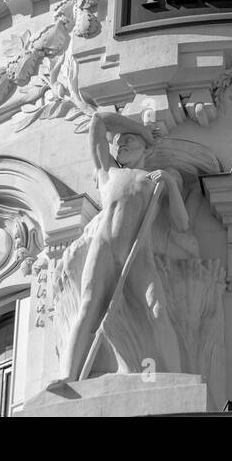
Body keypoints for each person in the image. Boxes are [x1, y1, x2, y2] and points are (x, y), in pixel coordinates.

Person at [51, 111, 189, 387]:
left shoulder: (153, 181)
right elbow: (98, 122)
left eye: (129, 142)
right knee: (88, 305)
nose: (121, 146)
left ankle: (179, 376)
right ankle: (68, 375)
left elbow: (182, 224)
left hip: (138, 255)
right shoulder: (108, 172)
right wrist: (140, 129)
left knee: (158, 309)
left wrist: (172, 186)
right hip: (103, 248)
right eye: (119, 143)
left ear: (145, 150)